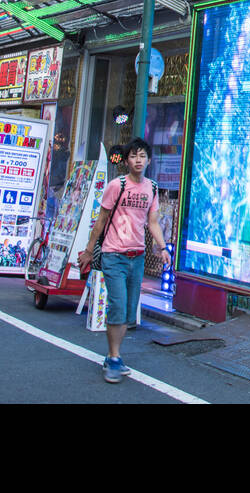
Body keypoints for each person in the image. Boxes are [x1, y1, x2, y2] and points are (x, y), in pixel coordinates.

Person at [78, 138, 170, 384]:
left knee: (129, 312)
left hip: (136, 257)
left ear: (149, 160)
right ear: (126, 161)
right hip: (113, 255)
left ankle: (113, 356)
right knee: (117, 305)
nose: (138, 160)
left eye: (142, 156)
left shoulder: (151, 188)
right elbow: (101, 221)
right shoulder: (116, 185)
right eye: (133, 156)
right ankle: (114, 356)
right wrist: (88, 250)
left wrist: (162, 247)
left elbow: (152, 223)